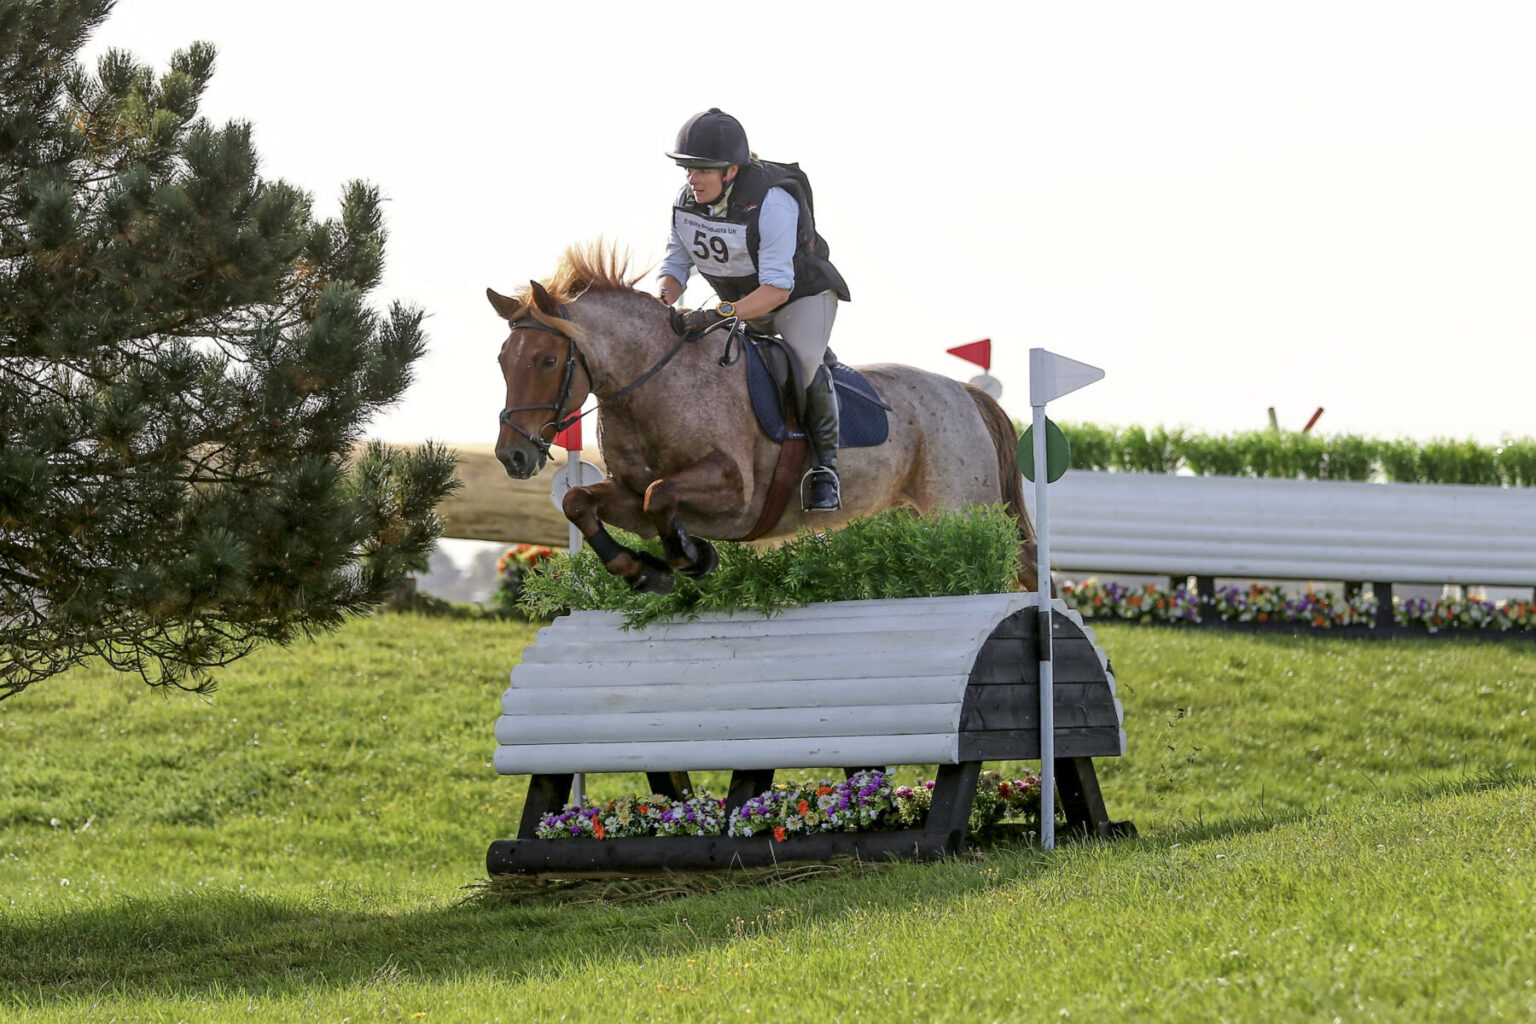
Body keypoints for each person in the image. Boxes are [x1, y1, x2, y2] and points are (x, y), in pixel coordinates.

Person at [658, 108, 851, 512]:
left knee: (804, 363)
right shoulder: (686, 202)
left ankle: (824, 471)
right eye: (688, 170)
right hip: (740, 303)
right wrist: (660, 301)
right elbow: (676, 267)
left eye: (702, 171)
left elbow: (777, 289)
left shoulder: (773, 202)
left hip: (798, 299)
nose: (692, 179)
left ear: (730, 170)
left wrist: (720, 313)